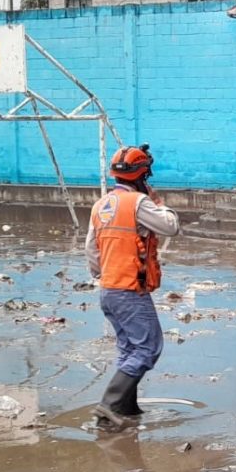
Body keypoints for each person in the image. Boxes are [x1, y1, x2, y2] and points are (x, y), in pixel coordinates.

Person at [86, 144, 182, 432]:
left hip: (109, 290)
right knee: (148, 348)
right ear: (141, 175)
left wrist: (105, 275)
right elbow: (170, 226)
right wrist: (158, 202)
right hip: (129, 290)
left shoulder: (100, 205)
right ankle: (110, 404)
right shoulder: (139, 203)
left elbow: (92, 251)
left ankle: (127, 408)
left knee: (129, 349)